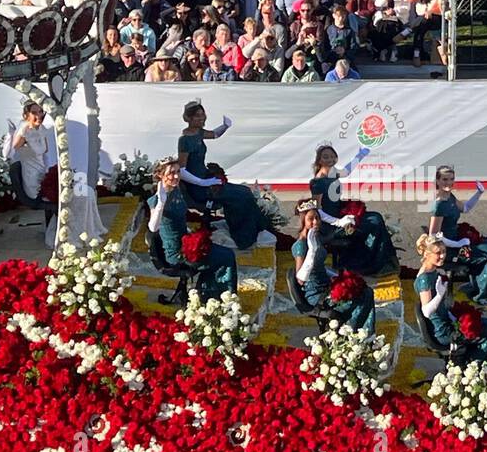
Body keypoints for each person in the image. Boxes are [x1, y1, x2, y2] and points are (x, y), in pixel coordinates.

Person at [177, 100, 272, 250]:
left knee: (245, 191)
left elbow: (214, 134)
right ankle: (243, 236)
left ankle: (252, 228)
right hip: (199, 186)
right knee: (240, 196)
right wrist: (202, 183)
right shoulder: (185, 140)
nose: (202, 118)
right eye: (197, 116)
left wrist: (225, 126)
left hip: (207, 179)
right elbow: (181, 170)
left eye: (203, 115)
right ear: (188, 118)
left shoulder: (199, 133)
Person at [147, 158, 237, 301]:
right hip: (177, 253)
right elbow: (153, 227)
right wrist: (161, 204)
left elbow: (187, 176)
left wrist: (207, 183)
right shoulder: (157, 199)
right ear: (160, 175)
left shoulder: (176, 189)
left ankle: (211, 294)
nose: (176, 176)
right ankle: (215, 297)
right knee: (226, 256)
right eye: (171, 173)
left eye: (177, 172)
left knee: (224, 253)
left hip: (187, 243)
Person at [414, 233, 487, 374]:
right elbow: (426, 311)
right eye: (438, 253)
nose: (442, 256)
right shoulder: (424, 279)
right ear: (426, 254)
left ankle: (479, 368)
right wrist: (440, 295)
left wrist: (455, 317)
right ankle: (475, 370)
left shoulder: (432, 271)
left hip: (447, 320)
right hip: (442, 331)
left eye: (443, 252)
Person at [427, 165, 487, 308]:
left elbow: (465, 208)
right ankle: (483, 294)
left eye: (451, 179)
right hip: (449, 249)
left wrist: (479, 193)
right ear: (437, 181)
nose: (449, 183)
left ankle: (486, 288)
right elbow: (433, 235)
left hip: (459, 239)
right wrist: (457, 244)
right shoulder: (439, 205)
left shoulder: (450, 197)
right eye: (445, 179)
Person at [309, 145, 397, 275]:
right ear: (319, 160)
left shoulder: (333, 173)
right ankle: (369, 264)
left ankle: (383, 260)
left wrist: (361, 154)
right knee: (374, 222)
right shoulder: (318, 182)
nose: (330, 159)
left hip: (340, 214)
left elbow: (346, 171)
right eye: (325, 157)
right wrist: (338, 222)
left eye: (332, 156)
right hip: (330, 225)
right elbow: (317, 210)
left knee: (376, 217)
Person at [292, 200, 376, 333]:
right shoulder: (301, 245)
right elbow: (300, 279)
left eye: (317, 218)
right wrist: (311, 253)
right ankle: (352, 334)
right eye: (311, 219)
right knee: (362, 298)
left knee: (366, 291)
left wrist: (344, 226)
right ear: (303, 221)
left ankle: (361, 334)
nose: (315, 222)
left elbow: (329, 238)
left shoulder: (314, 236)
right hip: (317, 294)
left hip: (327, 285)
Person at [7, 101, 50, 198]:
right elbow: (12, 151)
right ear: (26, 116)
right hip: (32, 177)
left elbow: (45, 150)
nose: (39, 115)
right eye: (34, 113)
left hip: (42, 172)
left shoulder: (42, 129)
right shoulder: (24, 133)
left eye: (40, 111)